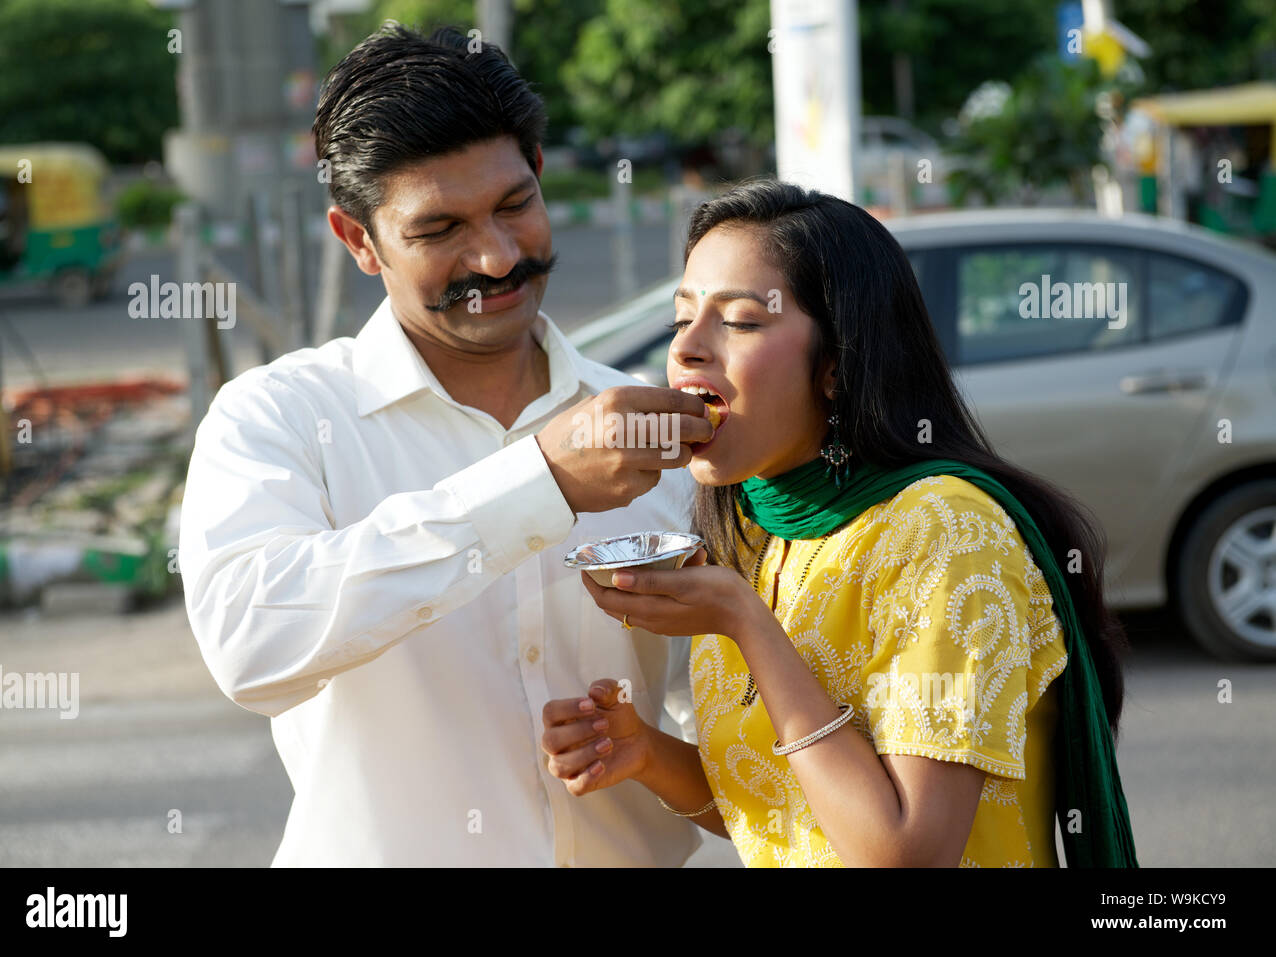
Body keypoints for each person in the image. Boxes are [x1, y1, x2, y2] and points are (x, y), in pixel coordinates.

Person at [177, 23, 716, 866]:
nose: (497, 256)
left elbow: (741, 745)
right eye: (439, 230)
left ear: (540, 174)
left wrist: (647, 750)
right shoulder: (278, 417)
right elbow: (253, 647)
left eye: (513, 206)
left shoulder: (653, 432)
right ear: (358, 240)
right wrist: (539, 484)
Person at [541, 179, 1138, 867]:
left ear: (835, 366)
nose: (688, 350)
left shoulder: (943, 529)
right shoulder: (756, 533)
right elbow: (786, 814)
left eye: (737, 320)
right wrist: (644, 752)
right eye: (682, 320)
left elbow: (904, 849)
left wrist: (747, 625)